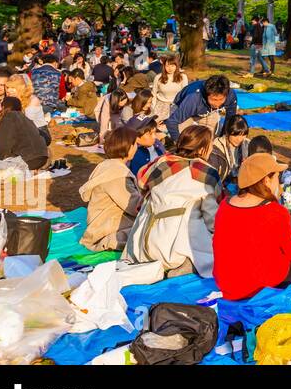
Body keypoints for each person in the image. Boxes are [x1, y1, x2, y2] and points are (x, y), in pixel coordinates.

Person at [213, 152, 291, 300]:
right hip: (259, 286)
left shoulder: (225, 205)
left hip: (226, 284)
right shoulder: (275, 211)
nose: (279, 183)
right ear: (267, 180)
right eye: (276, 177)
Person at [125, 124, 221, 277]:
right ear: (203, 148)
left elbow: (142, 181)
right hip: (174, 246)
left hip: (141, 244)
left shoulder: (162, 162)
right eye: (210, 145)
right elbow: (212, 219)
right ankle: (187, 263)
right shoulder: (206, 172)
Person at [78, 125, 142, 252]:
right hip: (104, 231)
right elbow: (135, 206)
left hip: (100, 224)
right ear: (127, 147)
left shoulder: (106, 166)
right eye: (135, 144)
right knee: (149, 231)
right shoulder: (117, 174)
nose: (137, 148)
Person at [164, 73, 238, 142]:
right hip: (183, 107)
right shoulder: (193, 98)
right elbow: (172, 122)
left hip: (207, 110)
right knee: (185, 138)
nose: (217, 104)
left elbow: (230, 119)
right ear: (206, 94)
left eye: (221, 99)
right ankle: (164, 135)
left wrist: (223, 137)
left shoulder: (230, 95)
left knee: (212, 137)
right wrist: (178, 142)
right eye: (214, 100)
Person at [0, 95, 49, 170]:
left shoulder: (8, 117)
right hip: (41, 158)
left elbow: (3, 145)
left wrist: (4, 162)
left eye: (0, 104)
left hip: (27, 160)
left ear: (5, 106)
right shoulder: (24, 118)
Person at [207, 113, 252, 188]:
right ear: (227, 132)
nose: (239, 139)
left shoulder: (247, 144)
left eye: (243, 135)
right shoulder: (216, 146)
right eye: (235, 135)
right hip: (222, 183)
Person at [150, 56, 188, 123]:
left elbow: (185, 94)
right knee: (157, 125)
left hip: (176, 105)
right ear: (164, 66)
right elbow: (153, 93)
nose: (170, 68)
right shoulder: (158, 77)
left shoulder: (183, 77)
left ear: (176, 66)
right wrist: (152, 107)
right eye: (167, 66)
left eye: (172, 66)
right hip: (161, 106)